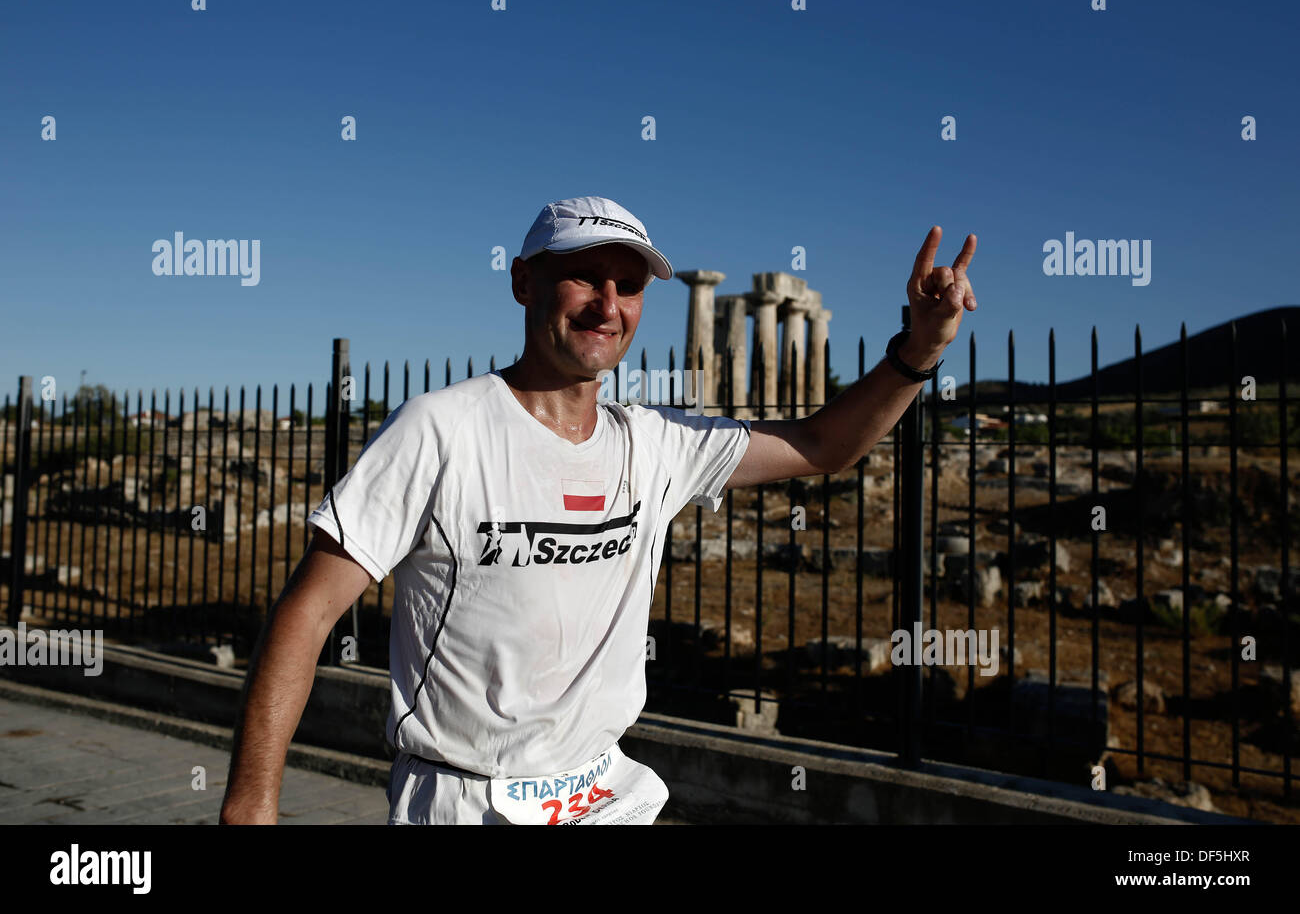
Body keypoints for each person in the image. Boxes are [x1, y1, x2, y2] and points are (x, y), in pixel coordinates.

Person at [218, 195, 977, 825]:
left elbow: (823, 445)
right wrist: (252, 806)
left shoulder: (656, 441)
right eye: (583, 276)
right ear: (523, 283)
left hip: (605, 794)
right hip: (465, 798)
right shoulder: (440, 429)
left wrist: (918, 351)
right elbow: (308, 613)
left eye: (630, 284)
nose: (608, 304)